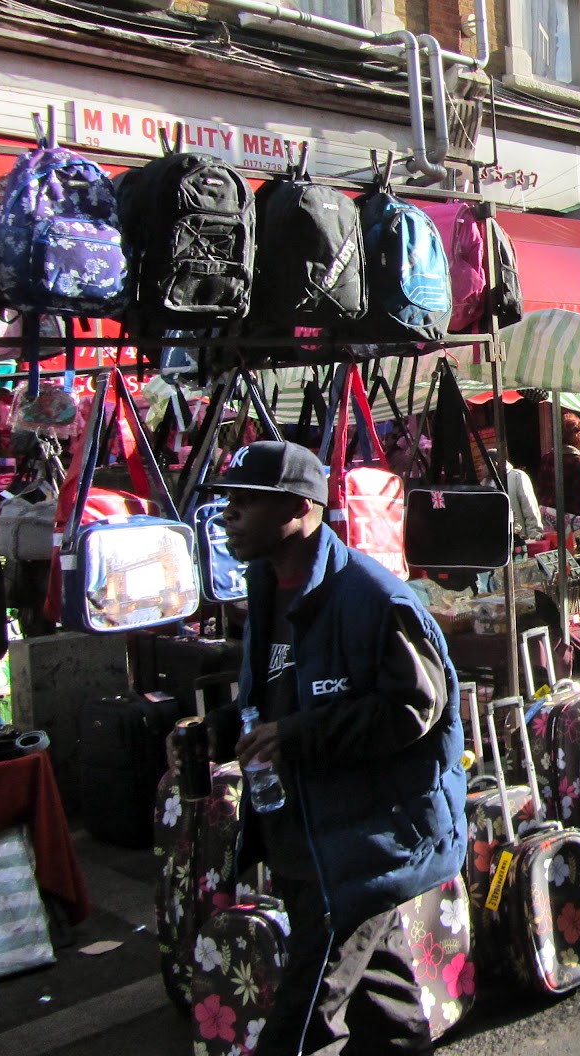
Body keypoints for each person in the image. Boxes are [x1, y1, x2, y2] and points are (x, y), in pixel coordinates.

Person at [204, 441, 468, 1055]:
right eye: (228, 503)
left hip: (360, 848)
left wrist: (298, 738)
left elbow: (415, 709)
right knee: (386, 1005)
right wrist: (217, 728)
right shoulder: (267, 591)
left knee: (303, 1021)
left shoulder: (376, 601)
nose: (229, 515)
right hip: (303, 837)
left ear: (299, 507)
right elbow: (276, 698)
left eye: (246, 502)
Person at [537, 411, 580, 533]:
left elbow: (540, 491)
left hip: (546, 520)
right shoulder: (578, 461)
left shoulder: (547, 457)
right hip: (569, 524)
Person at [482, 446, 543, 545]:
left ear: (494, 464)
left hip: (520, 541)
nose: (479, 467)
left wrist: (534, 537)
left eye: (482, 464)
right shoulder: (484, 484)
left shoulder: (517, 477)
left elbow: (529, 508)